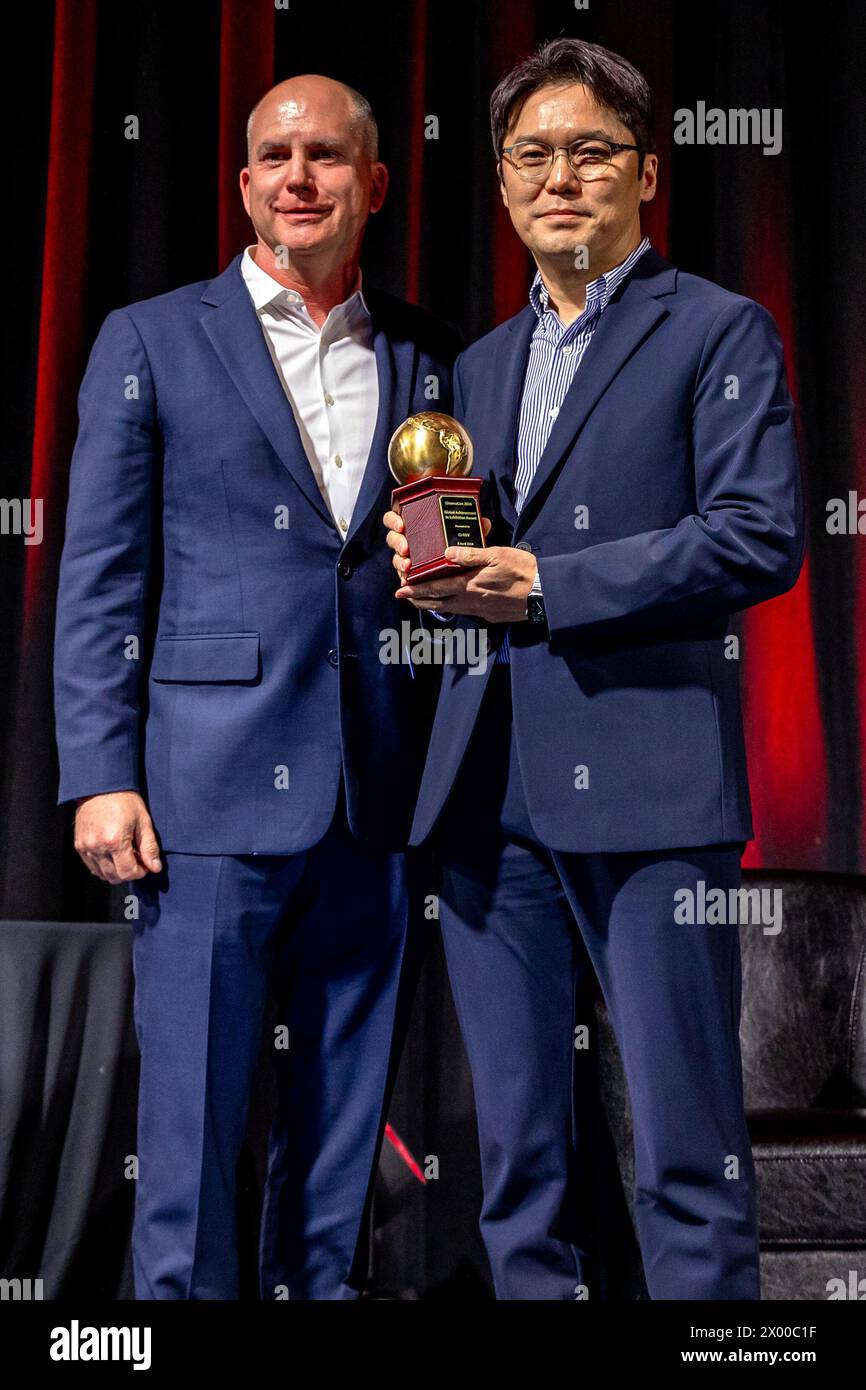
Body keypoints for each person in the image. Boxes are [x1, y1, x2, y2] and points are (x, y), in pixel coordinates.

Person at [385, 37, 805, 1299]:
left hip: (646, 783)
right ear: (503, 184)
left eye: (588, 151)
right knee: (516, 1154)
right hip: (484, 795)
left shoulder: (720, 329)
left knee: (683, 1143)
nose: (557, 177)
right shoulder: (477, 367)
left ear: (646, 174)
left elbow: (756, 534)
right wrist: (440, 581)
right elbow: (463, 546)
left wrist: (549, 583)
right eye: (530, 155)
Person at [54, 74, 458, 1300]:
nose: (298, 176)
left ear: (371, 186)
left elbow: (437, 568)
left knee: (337, 1154)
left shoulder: (427, 355)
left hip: (374, 806)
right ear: (242, 186)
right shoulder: (150, 339)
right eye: (275, 156)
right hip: (202, 798)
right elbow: (101, 576)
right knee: (189, 1139)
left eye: (326, 157)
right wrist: (99, 776)